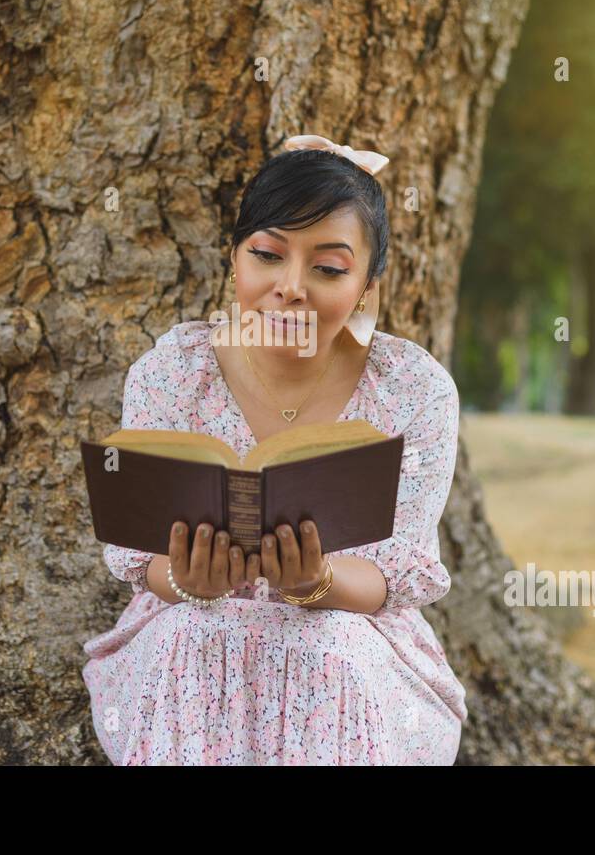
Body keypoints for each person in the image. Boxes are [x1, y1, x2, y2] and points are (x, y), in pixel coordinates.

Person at [81, 134, 468, 764]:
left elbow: (396, 573)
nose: (291, 287)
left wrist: (316, 583)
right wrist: (186, 578)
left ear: (367, 282)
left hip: (351, 635)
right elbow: (139, 557)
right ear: (235, 260)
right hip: (189, 624)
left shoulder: (413, 389)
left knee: (329, 648)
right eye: (268, 255)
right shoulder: (173, 372)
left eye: (329, 268)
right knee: (192, 636)